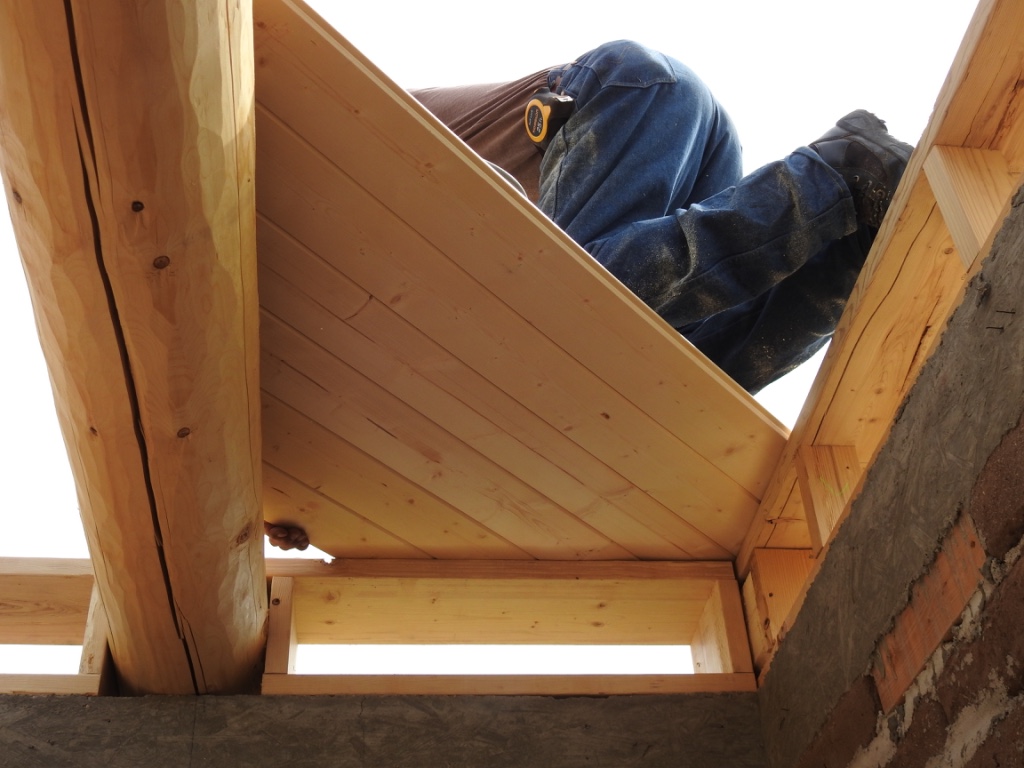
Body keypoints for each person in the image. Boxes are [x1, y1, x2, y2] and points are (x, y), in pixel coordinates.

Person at [265, 40, 912, 551]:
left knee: (567, 321)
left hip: (616, 103)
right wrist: (323, 501)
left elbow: (488, 214)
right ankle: (858, 229)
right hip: (670, 137)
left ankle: (834, 171)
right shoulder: (356, 303)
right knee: (680, 386)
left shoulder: (322, 155)